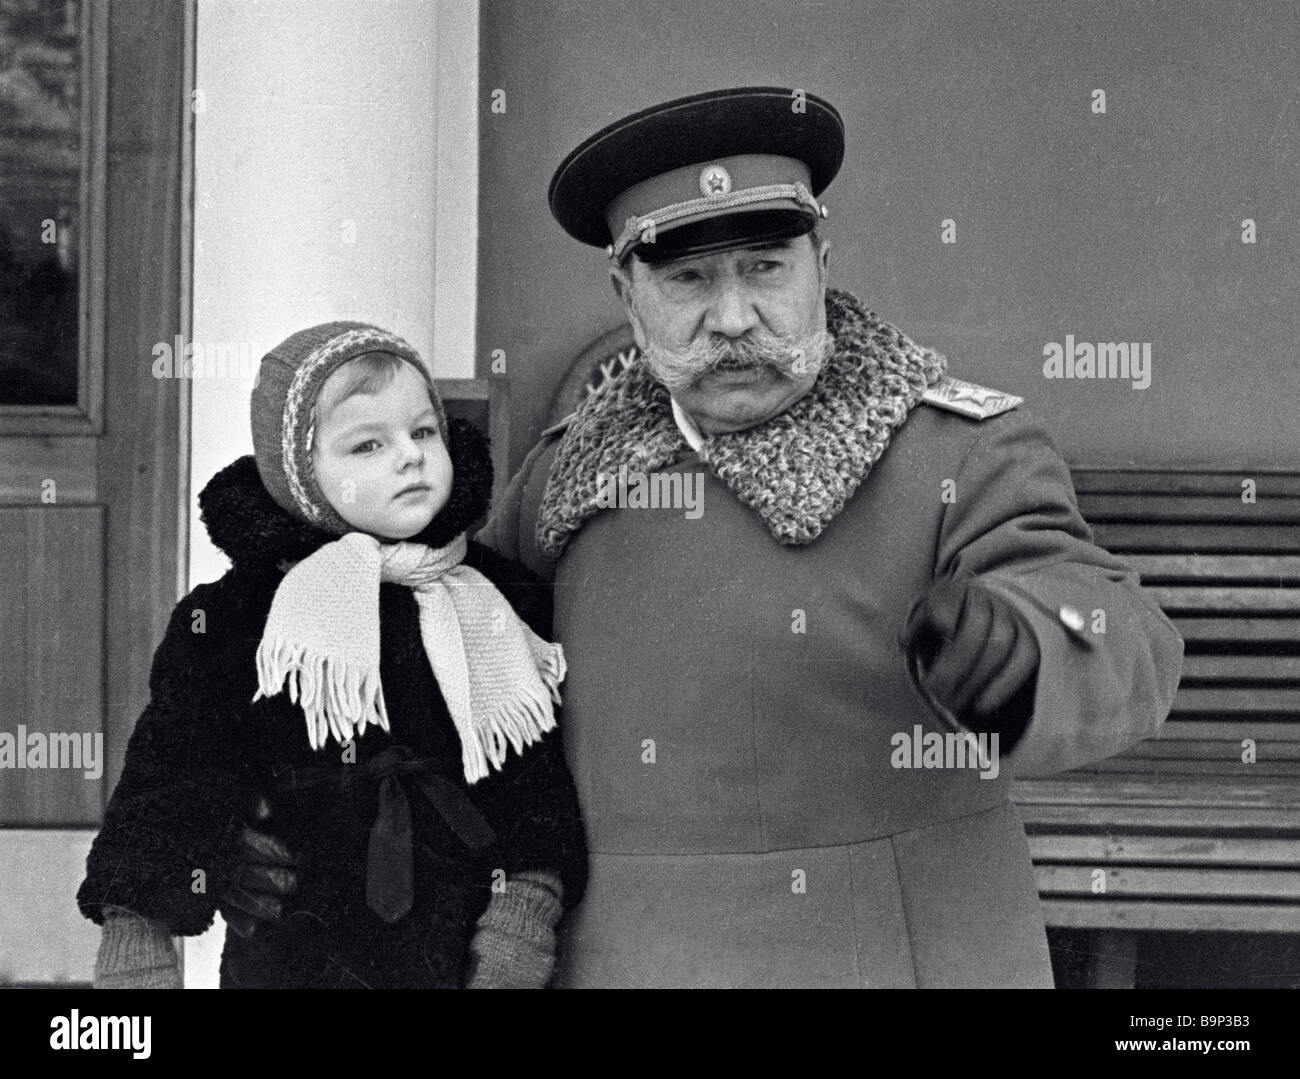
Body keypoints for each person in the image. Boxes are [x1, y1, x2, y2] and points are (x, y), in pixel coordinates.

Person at [224, 87, 1184, 988]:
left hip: (892, 954)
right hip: (626, 957)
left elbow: (1109, 623)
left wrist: (1027, 654)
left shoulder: (957, 450)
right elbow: (428, 656)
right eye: (687, 277)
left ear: (821, 260)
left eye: (766, 267)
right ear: (626, 289)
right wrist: (281, 810)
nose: (734, 318)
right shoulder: (567, 471)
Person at [77, 323, 587, 988]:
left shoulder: (492, 601)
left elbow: (533, 776)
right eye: (367, 443)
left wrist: (525, 909)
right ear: (300, 474)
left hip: (458, 948)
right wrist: (137, 929)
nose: (409, 457)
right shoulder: (239, 617)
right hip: (293, 948)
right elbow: (173, 770)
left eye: (424, 431)